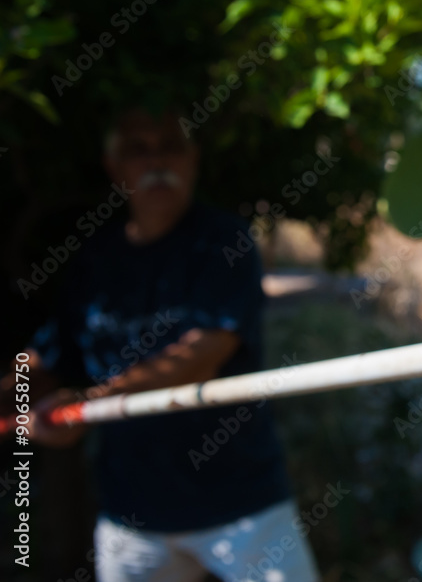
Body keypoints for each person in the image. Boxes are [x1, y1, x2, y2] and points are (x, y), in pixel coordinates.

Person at [21, 108, 321, 582]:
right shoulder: (94, 261)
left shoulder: (225, 241)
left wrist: (90, 405)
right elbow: (46, 357)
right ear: (113, 167)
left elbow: (202, 353)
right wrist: (19, 399)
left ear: (193, 160)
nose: (156, 161)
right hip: (134, 519)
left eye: (170, 147)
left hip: (241, 506)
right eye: (138, 150)